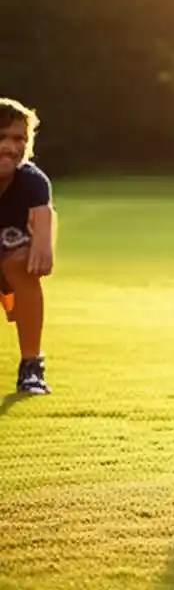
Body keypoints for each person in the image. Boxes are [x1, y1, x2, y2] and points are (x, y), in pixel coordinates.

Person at [0, 99, 55, 395]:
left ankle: (31, 367)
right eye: (0, 137)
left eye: (18, 138)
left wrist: (43, 246)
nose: (9, 147)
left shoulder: (32, 181)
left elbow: (44, 228)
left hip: (7, 257)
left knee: (22, 262)